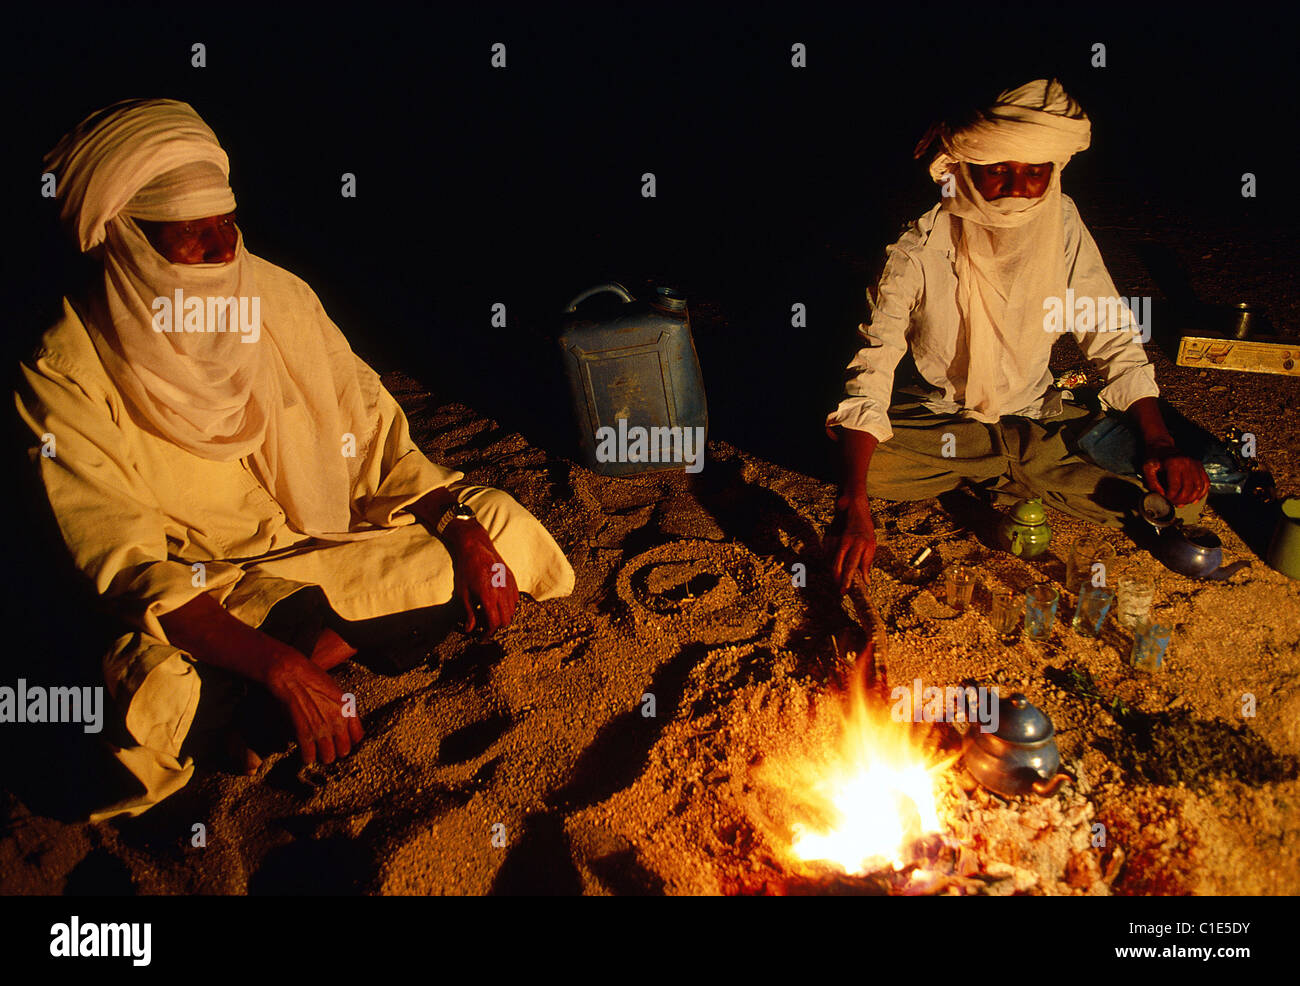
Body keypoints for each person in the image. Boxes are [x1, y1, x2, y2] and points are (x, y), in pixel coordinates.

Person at [16, 99, 575, 819]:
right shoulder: (60, 365)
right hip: (206, 594)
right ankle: (287, 669)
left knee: (491, 524)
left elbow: (379, 444)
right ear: (126, 239)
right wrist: (277, 668)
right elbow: (122, 564)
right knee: (146, 694)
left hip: (320, 545)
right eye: (192, 234)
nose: (224, 249)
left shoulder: (278, 298)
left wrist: (460, 527)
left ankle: (282, 681)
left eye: (228, 222)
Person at [825, 79, 1210, 591]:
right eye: (998, 167)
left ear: (1054, 171)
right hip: (942, 416)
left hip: (1033, 411)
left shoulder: (1062, 221)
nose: (1017, 185)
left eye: (1034, 171)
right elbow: (874, 361)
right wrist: (853, 502)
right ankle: (1009, 472)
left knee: (1186, 493)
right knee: (862, 471)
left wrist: (1159, 441)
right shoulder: (919, 242)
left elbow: (1109, 330)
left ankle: (1002, 469)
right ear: (965, 165)